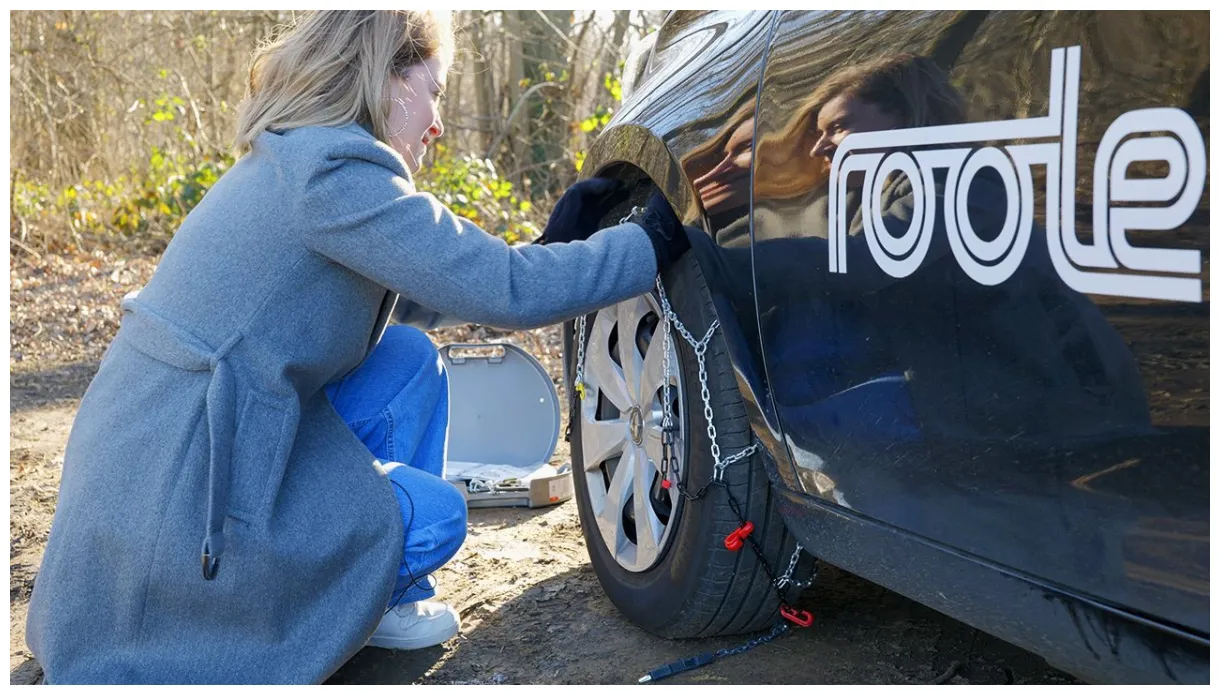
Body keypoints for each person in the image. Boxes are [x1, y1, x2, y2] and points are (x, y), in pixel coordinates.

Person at [25, 10, 687, 685]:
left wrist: (554, 252)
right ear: (386, 81)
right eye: (433, 91)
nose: (435, 121)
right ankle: (338, 584)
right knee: (436, 517)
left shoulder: (302, 157)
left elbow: (440, 288)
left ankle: (385, 592)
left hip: (167, 451)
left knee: (406, 361)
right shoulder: (334, 175)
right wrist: (649, 243)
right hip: (178, 506)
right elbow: (503, 291)